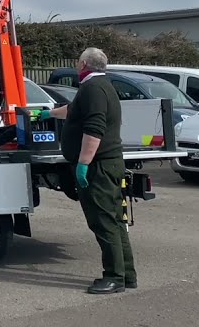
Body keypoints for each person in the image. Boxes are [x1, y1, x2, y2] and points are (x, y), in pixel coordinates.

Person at [33, 47, 136, 294]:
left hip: (99, 166)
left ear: (82, 64)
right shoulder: (100, 86)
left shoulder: (92, 88)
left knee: (103, 222)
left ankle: (114, 277)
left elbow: (95, 128)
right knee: (113, 220)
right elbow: (74, 111)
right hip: (105, 163)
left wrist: (83, 164)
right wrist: (48, 113)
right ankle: (127, 274)